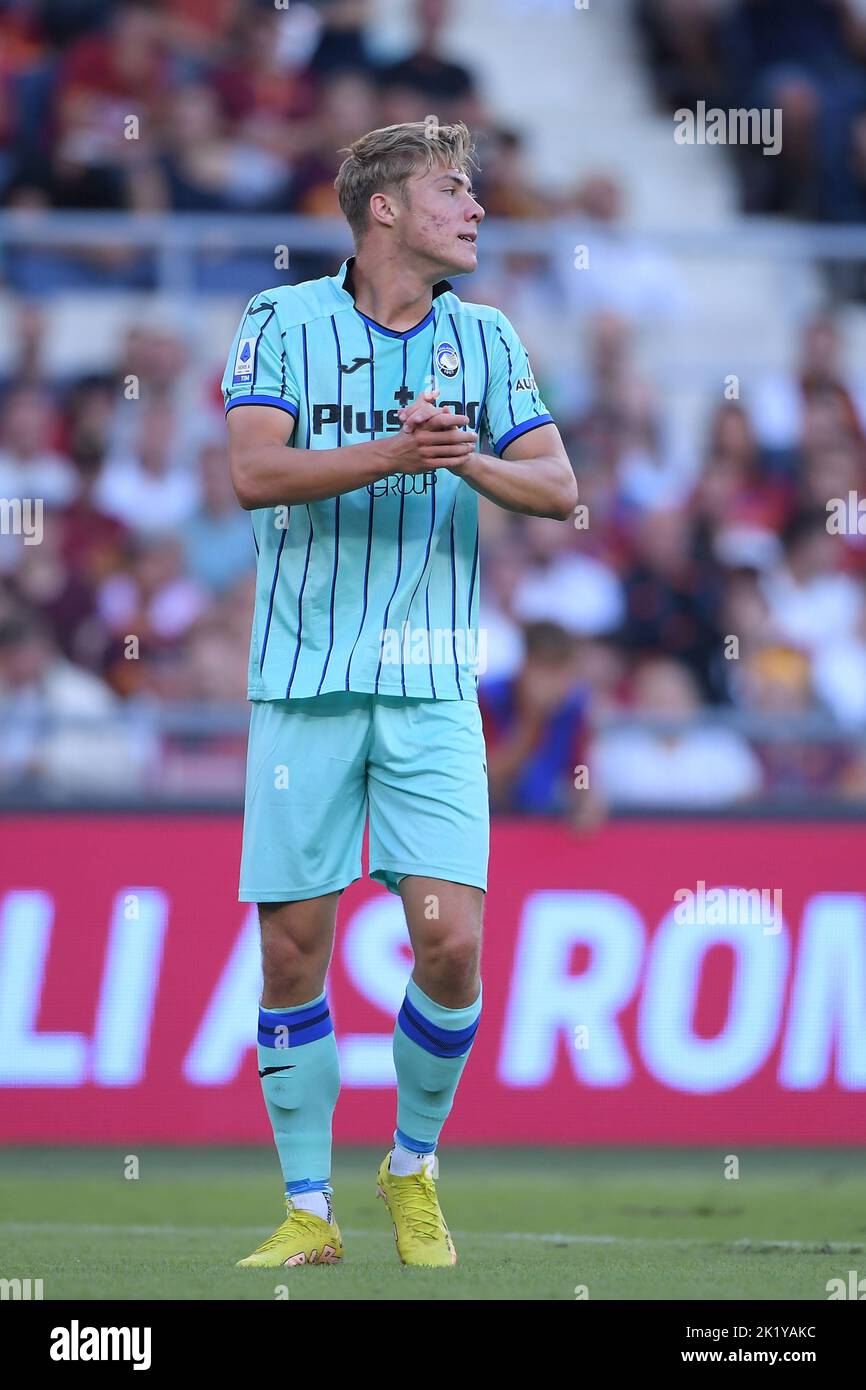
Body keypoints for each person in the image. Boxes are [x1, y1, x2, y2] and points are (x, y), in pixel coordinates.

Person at [222, 118, 576, 1269]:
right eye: (451, 190)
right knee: (292, 953)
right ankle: (308, 1208)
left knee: (453, 947)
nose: (474, 209)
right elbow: (253, 471)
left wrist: (461, 457)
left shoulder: (484, 339)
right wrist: (394, 448)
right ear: (383, 208)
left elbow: (557, 486)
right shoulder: (281, 321)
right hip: (302, 685)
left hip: (428, 690)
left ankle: (411, 1164)